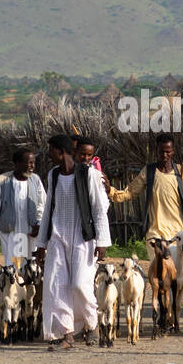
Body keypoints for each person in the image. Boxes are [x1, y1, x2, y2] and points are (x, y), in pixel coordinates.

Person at [34, 134, 111, 350]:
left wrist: (101, 241)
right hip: (58, 237)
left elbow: (97, 208)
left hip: (82, 237)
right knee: (56, 285)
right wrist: (42, 243)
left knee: (79, 284)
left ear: (62, 152)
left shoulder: (89, 174)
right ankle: (66, 335)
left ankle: (92, 324)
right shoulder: (53, 175)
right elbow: (49, 208)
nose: (49, 155)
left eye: (52, 151)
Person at [105, 133, 183, 244]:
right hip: (156, 231)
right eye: (161, 151)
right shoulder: (149, 171)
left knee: (175, 261)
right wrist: (110, 190)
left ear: (173, 151)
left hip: (177, 230)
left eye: (168, 152)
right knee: (159, 260)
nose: (164, 155)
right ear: (156, 150)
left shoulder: (180, 172)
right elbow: (130, 192)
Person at [0, 147, 45, 265]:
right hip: (12, 231)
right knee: (15, 264)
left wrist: (39, 224)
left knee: (32, 266)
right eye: (29, 163)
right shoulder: (3, 181)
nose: (32, 166)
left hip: (31, 231)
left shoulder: (36, 180)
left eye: (33, 163)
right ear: (17, 163)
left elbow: (42, 205)